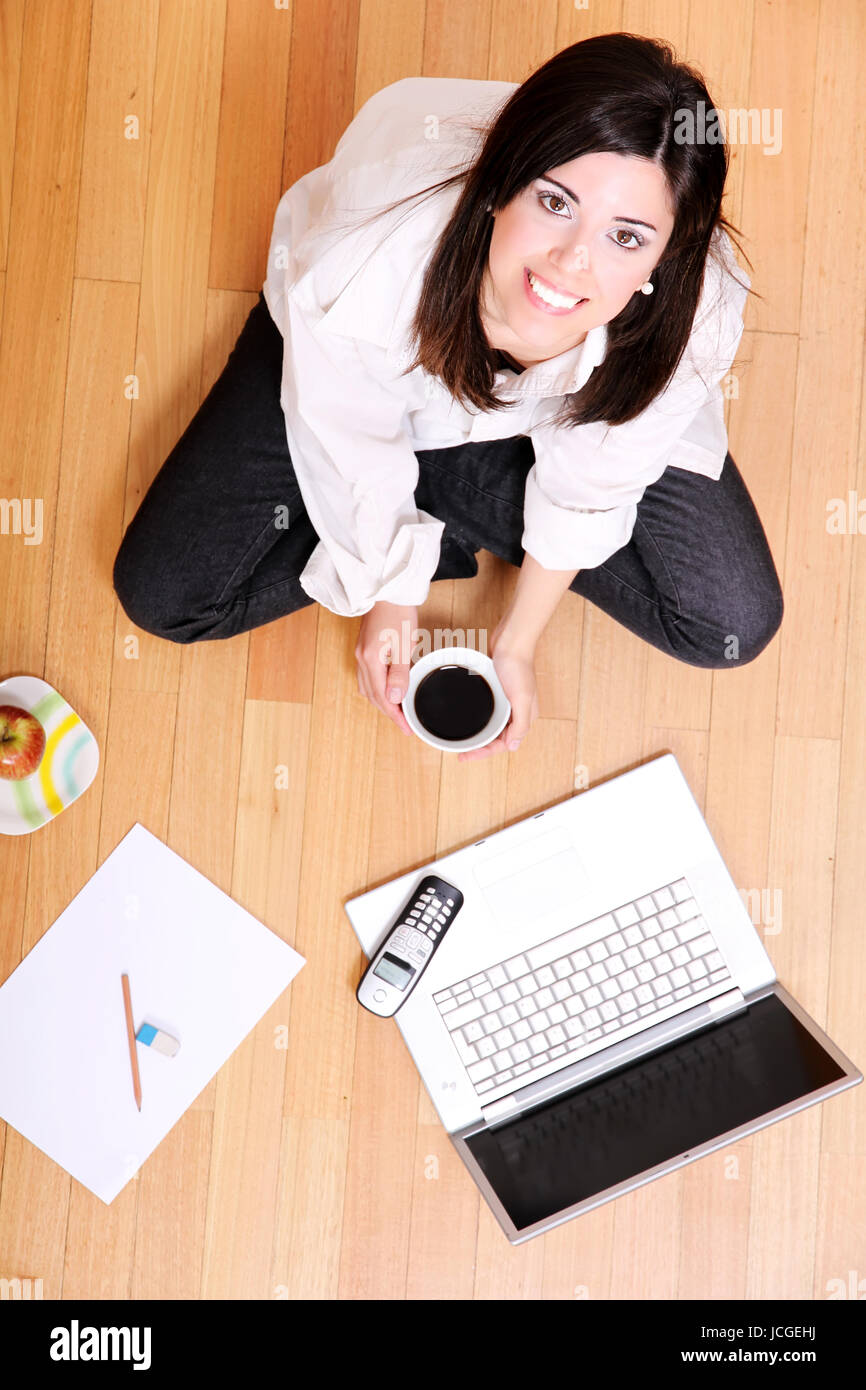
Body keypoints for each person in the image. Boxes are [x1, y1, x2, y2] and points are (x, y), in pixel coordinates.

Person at [112, 33, 783, 764]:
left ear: (666, 255)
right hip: (348, 364)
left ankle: (430, 499)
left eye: (627, 238)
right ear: (500, 183)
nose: (573, 262)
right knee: (166, 596)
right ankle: (432, 508)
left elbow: (597, 481)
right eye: (555, 202)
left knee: (731, 624)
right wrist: (390, 589)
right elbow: (352, 433)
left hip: (526, 423)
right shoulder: (370, 255)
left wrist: (517, 642)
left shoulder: (698, 307)